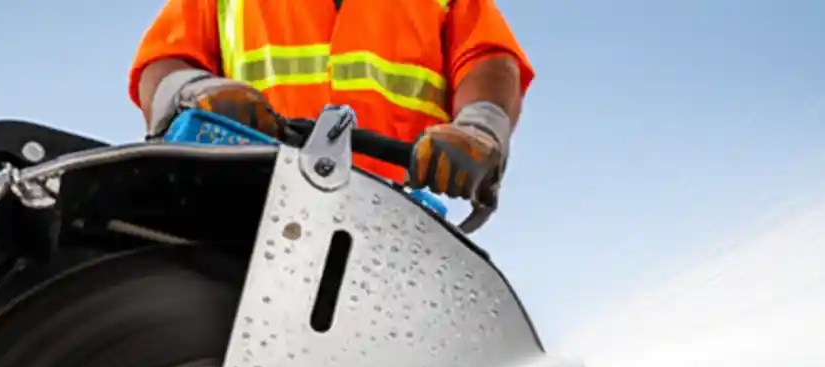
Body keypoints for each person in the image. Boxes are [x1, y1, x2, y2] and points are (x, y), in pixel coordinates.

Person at [130, 0, 533, 207]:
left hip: (395, 217)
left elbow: (488, 60)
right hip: (247, 202)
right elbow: (166, 62)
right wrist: (196, 91)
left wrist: (479, 130)